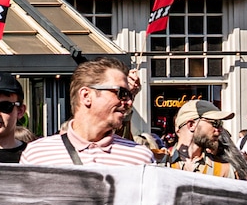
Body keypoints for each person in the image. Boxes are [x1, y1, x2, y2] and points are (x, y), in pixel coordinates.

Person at [21, 61, 151, 168]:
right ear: (86, 96)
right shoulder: (37, 155)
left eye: (129, 95)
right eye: (121, 93)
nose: (128, 102)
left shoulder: (140, 157)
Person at [169, 101, 247, 180]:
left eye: (220, 125)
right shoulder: (161, 163)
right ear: (191, 125)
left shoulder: (225, 170)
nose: (220, 130)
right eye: (215, 124)